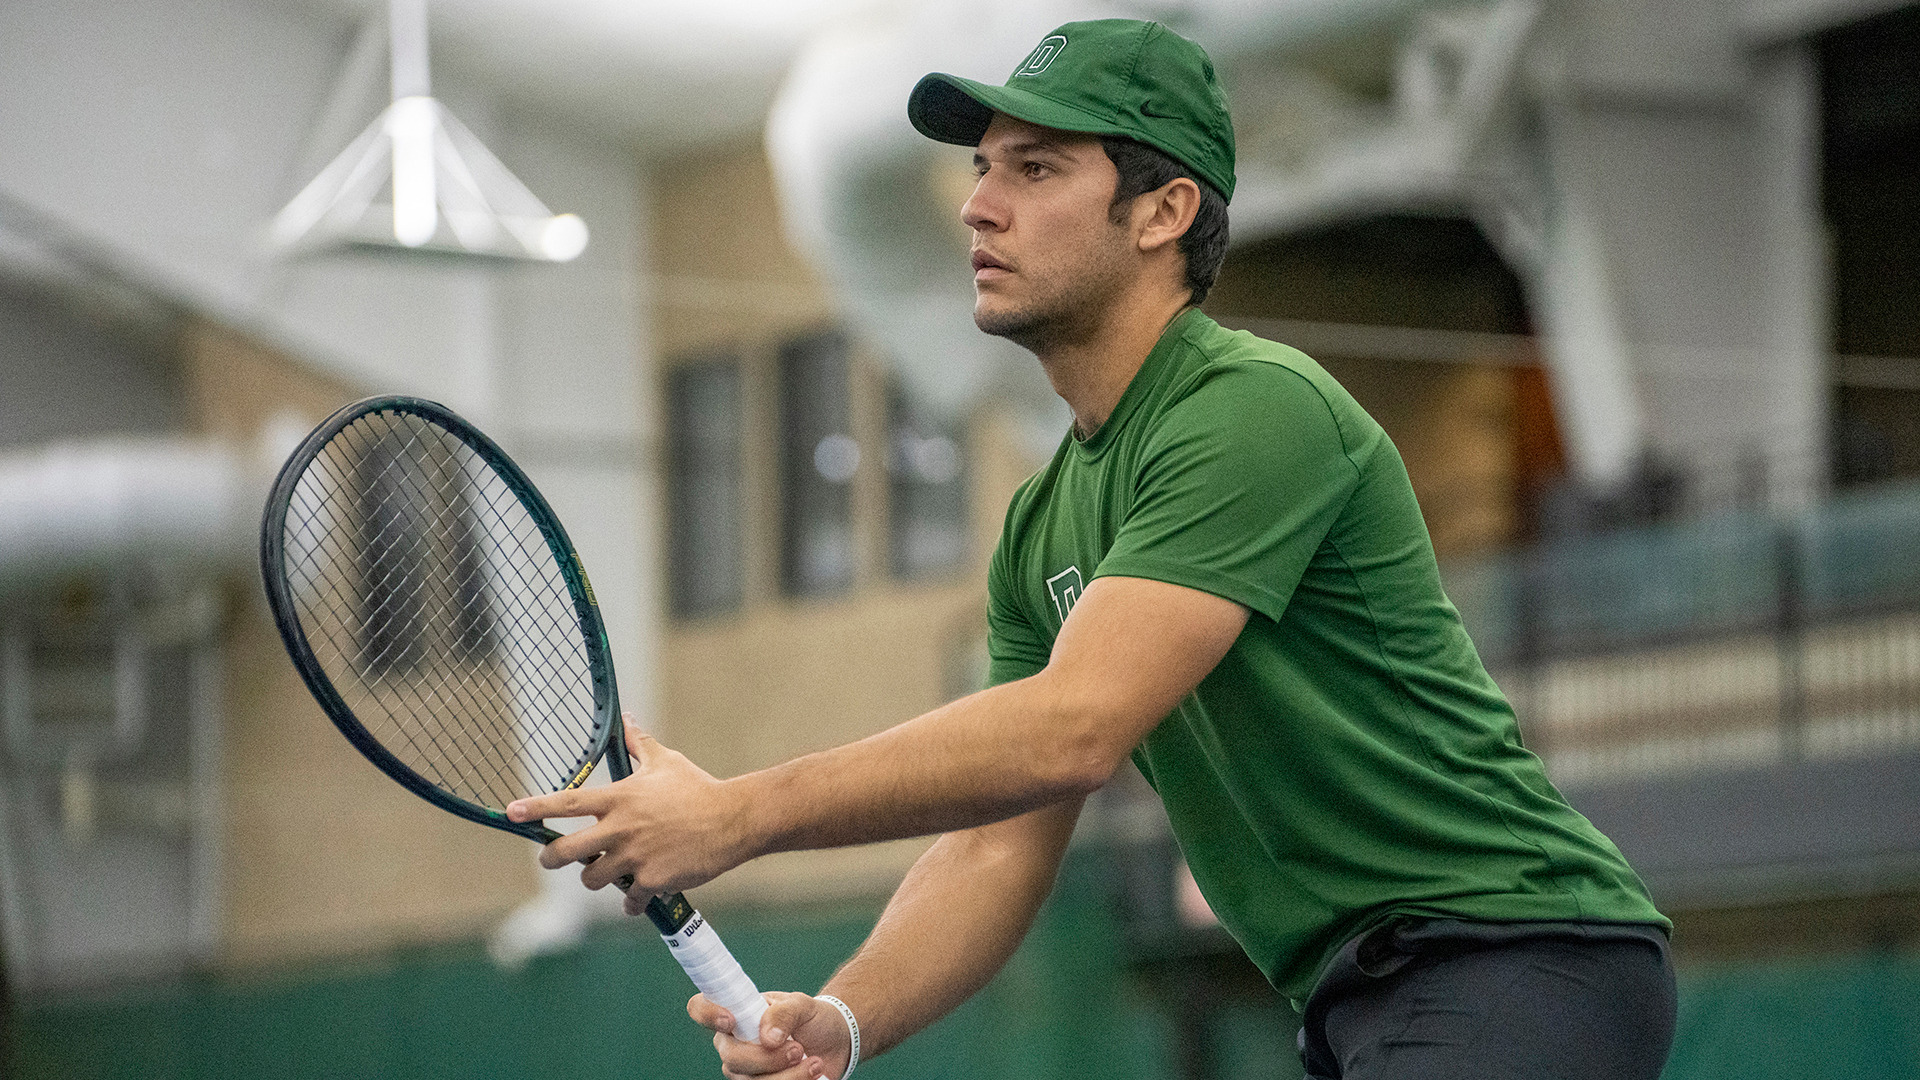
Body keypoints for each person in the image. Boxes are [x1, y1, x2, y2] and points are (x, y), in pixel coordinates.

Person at [508, 19, 1677, 1080]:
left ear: (1162, 212)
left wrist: (740, 815)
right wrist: (848, 1018)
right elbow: (994, 850)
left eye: (1036, 168)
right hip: (1363, 1000)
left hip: (1518, 952)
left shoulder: (1250, 408)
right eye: (981, 169)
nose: (977, 205)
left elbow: (1075, 727)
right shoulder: (1041, 526)